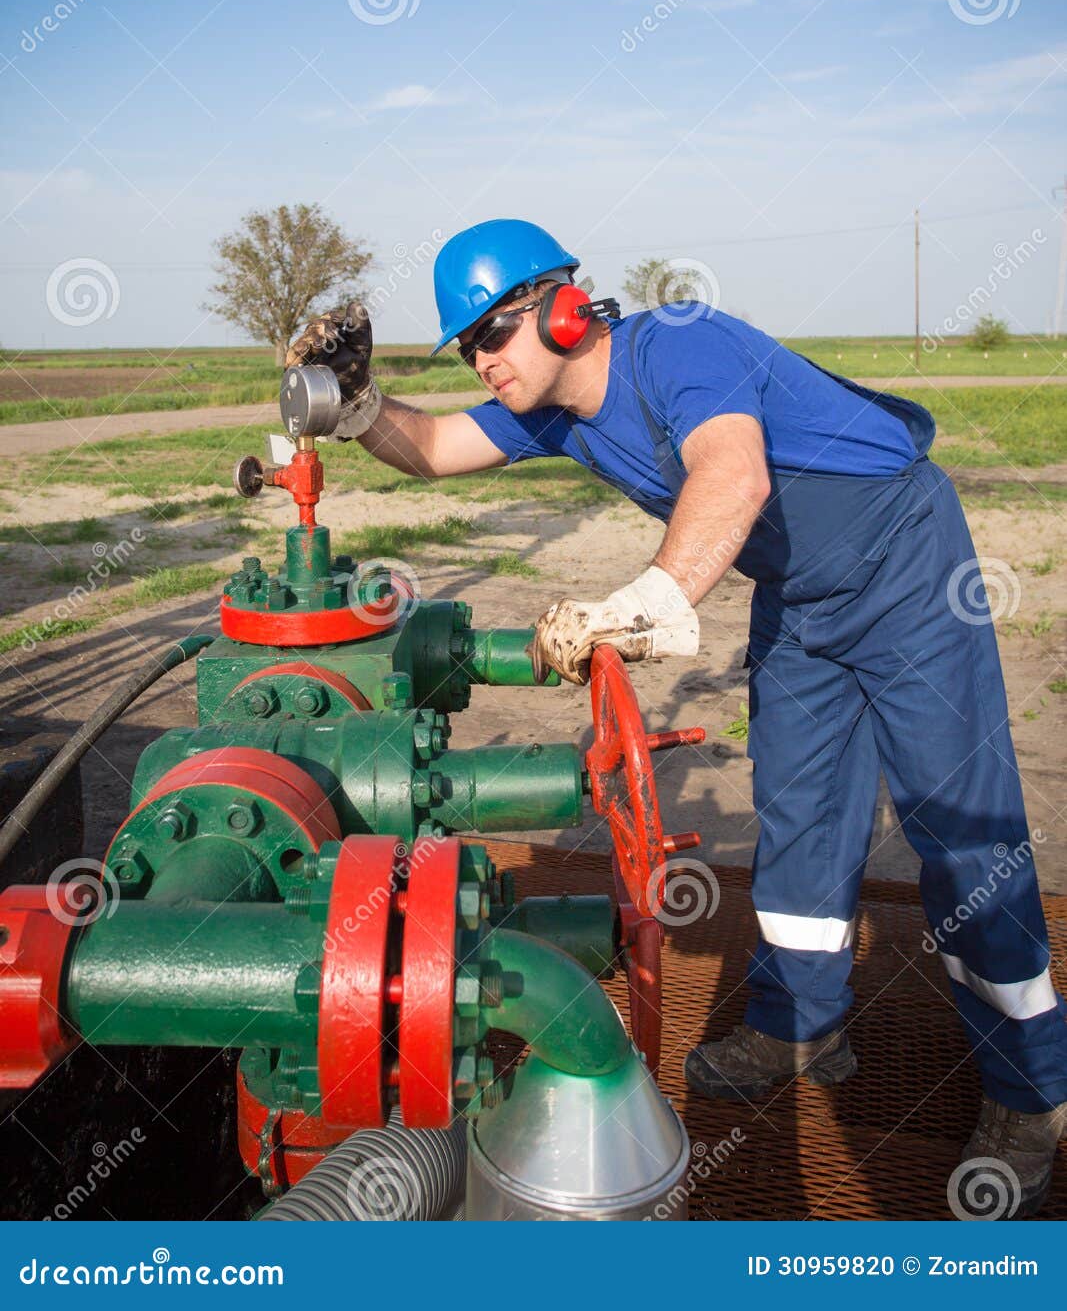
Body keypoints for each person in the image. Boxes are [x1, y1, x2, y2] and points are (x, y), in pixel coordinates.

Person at [287, 216, 1067, 1216]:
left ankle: (1029, 1084)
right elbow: (434, 447)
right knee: (797, 808)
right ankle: (800, 1023)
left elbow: (731, 473)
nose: (481, 360)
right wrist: (358, 407)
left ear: (563, 308)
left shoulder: (678, 344)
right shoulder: (554, 415)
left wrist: (645, 602)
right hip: (801, 588)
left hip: (903, 561)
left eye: (493, 332)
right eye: (467, 345)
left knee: (956, 824)